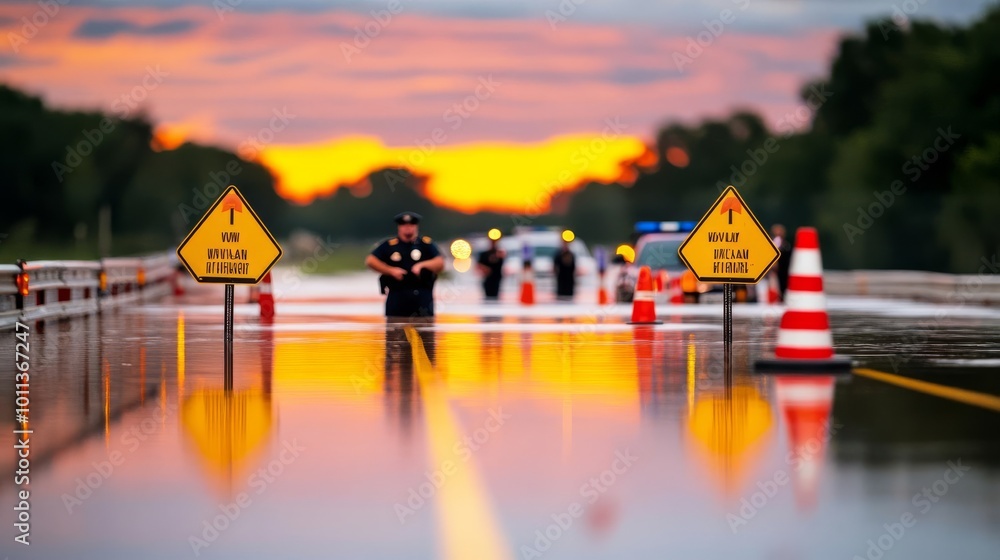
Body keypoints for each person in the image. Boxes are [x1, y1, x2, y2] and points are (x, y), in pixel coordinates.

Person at [365, 211, 444, 318]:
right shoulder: (390, 245)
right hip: (397, 296)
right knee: (394, 326)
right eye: (404, 225)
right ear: (399, 227)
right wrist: (390, 270)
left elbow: (440, 262)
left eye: (411, 225)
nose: (408, 228)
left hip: (422, 297)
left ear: (416, 226)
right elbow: (370, 261)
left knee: (424, 326)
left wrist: (422, 265)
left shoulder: (426, 244)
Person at [771, 223, 792, 300]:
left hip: (784, 271)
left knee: (783, 287)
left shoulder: (786, 246)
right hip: (773, 272)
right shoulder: (771, 243)